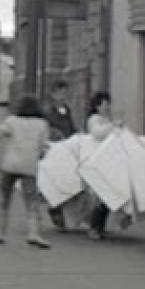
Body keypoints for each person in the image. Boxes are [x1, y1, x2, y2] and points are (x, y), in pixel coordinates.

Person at [0, 93, 52, 249]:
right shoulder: (42, 124)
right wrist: (40, 155)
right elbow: (44, 147)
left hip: (9, 165)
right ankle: (33, 233)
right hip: (29, 166)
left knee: (4, 199)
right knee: (31, 202)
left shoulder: (11, 121)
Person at [84, 91, 124, 241]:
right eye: (105, 104)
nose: (108, 107)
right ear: (98, 105)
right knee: (102, 196)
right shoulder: (95, 119)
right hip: (98, 162)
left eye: (108, 104)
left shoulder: (105, 120)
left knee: (106, 195)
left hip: (107, 161)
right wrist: (113, 126)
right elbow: (97, 134)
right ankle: (95, 227)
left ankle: (98, 227)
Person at [42, 79, 78, 231]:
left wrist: (77, 136)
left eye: (65, 93)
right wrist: (57, 135)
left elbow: (71, 127)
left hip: (68, 149)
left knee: (67, 180)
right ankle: (55, 209)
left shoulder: (67, 110)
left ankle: (60, 210)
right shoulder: (48, 111)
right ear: (53, 94)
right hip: (55, 150)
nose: (63, 96)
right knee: (56, 181)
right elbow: (47, 129)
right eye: (60, 93)